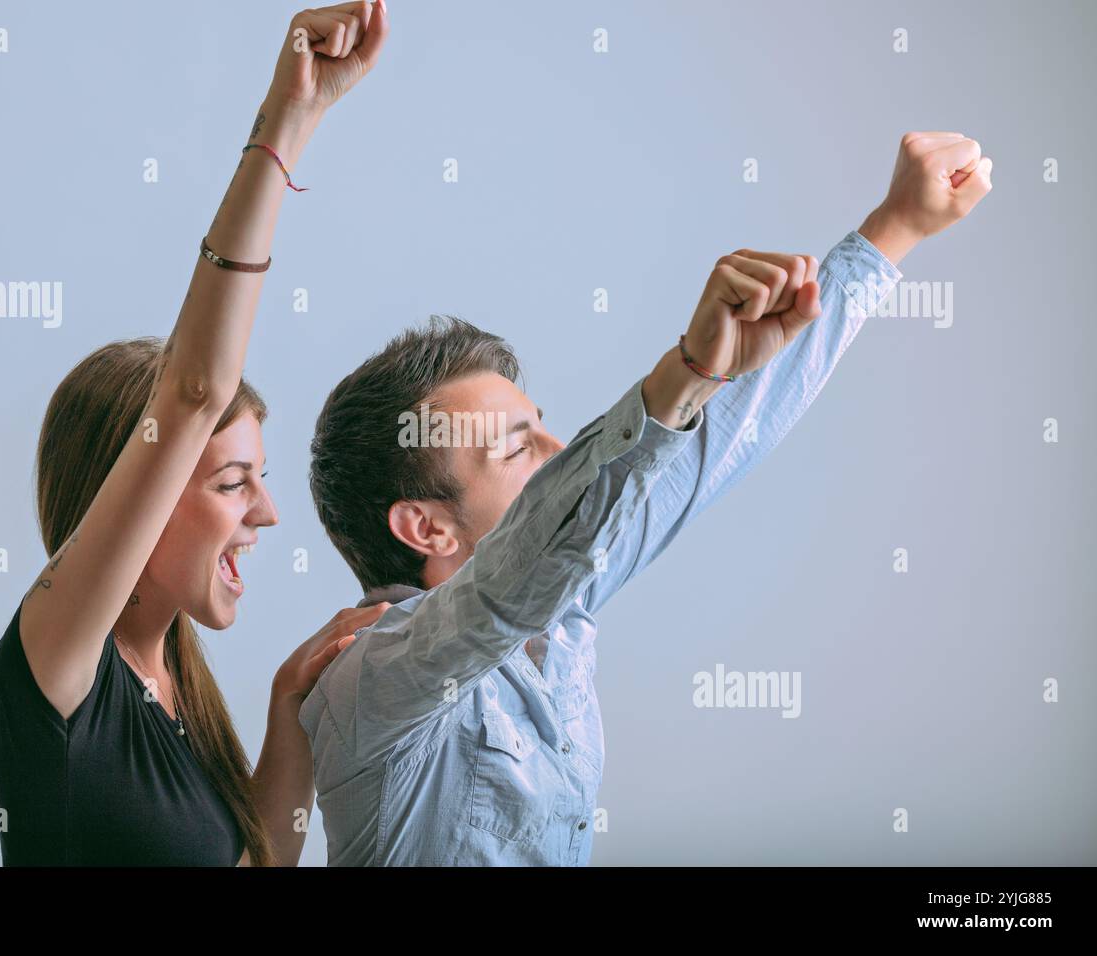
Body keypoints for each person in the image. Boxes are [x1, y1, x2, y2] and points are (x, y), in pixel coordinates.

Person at [303, 132, 993, 864]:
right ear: (426, 527)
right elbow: (513, 575)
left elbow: (713, 445)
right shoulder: (374, 670)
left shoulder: (560, 620)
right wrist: (685, 370)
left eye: (541, 428)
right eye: (516, 446)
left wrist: (896, 228)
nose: (560, 453)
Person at [0, 1, 389, 866]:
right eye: (232, 481)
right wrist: (289, 120)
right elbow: (197, 388)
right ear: (137, 488)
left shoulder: (176, 688)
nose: (269, 513)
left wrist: (289, 707)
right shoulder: (59, 670)